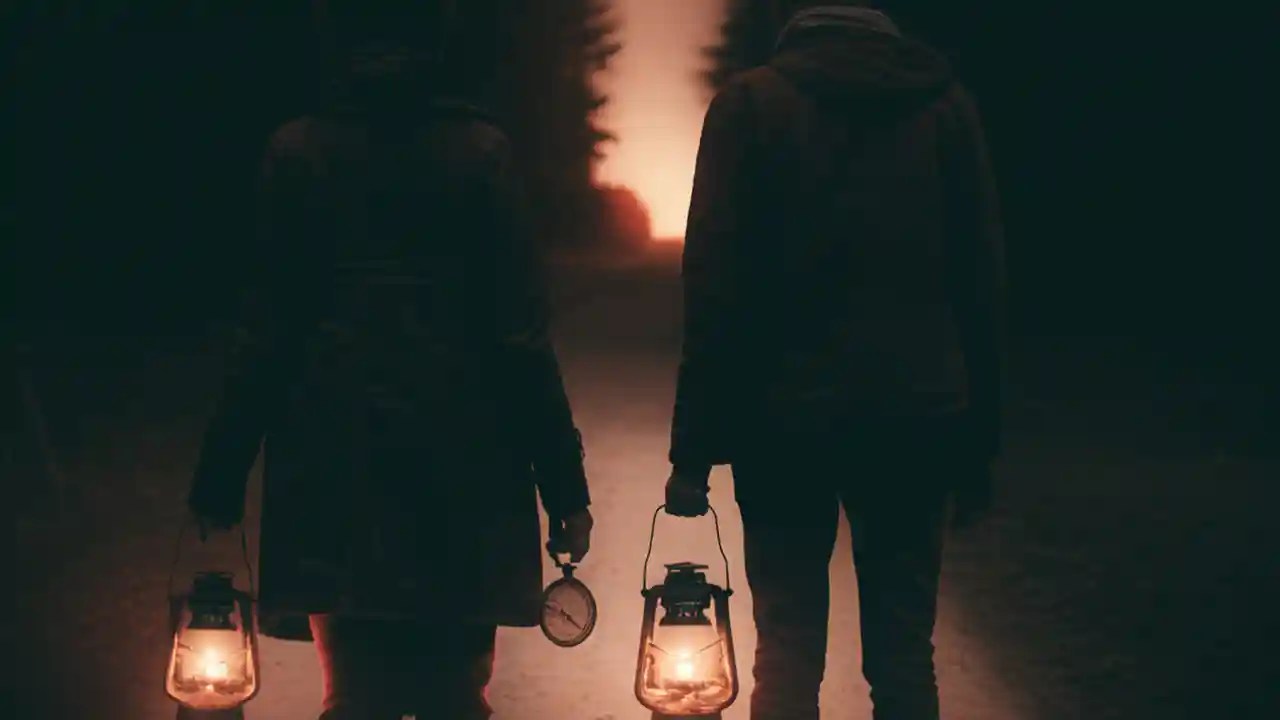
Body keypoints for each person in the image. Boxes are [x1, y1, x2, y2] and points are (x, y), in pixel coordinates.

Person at [186, 3, 593, 718]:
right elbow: (519, 340)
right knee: (455, 696)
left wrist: (220, 478)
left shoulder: (299, 152)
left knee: (355, 695)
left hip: (335, 466)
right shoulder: (482, 154)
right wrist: (565, 490)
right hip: (465, 469)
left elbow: (267, 334)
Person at [664, 2, 1005, 719]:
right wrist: (979, 443)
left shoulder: (751, 105)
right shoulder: (946, 108)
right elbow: (981, 283)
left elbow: (715, 287)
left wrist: (694, 453)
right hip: (919, 415)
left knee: (785, 649)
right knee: (906, 651)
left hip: (782, 422)